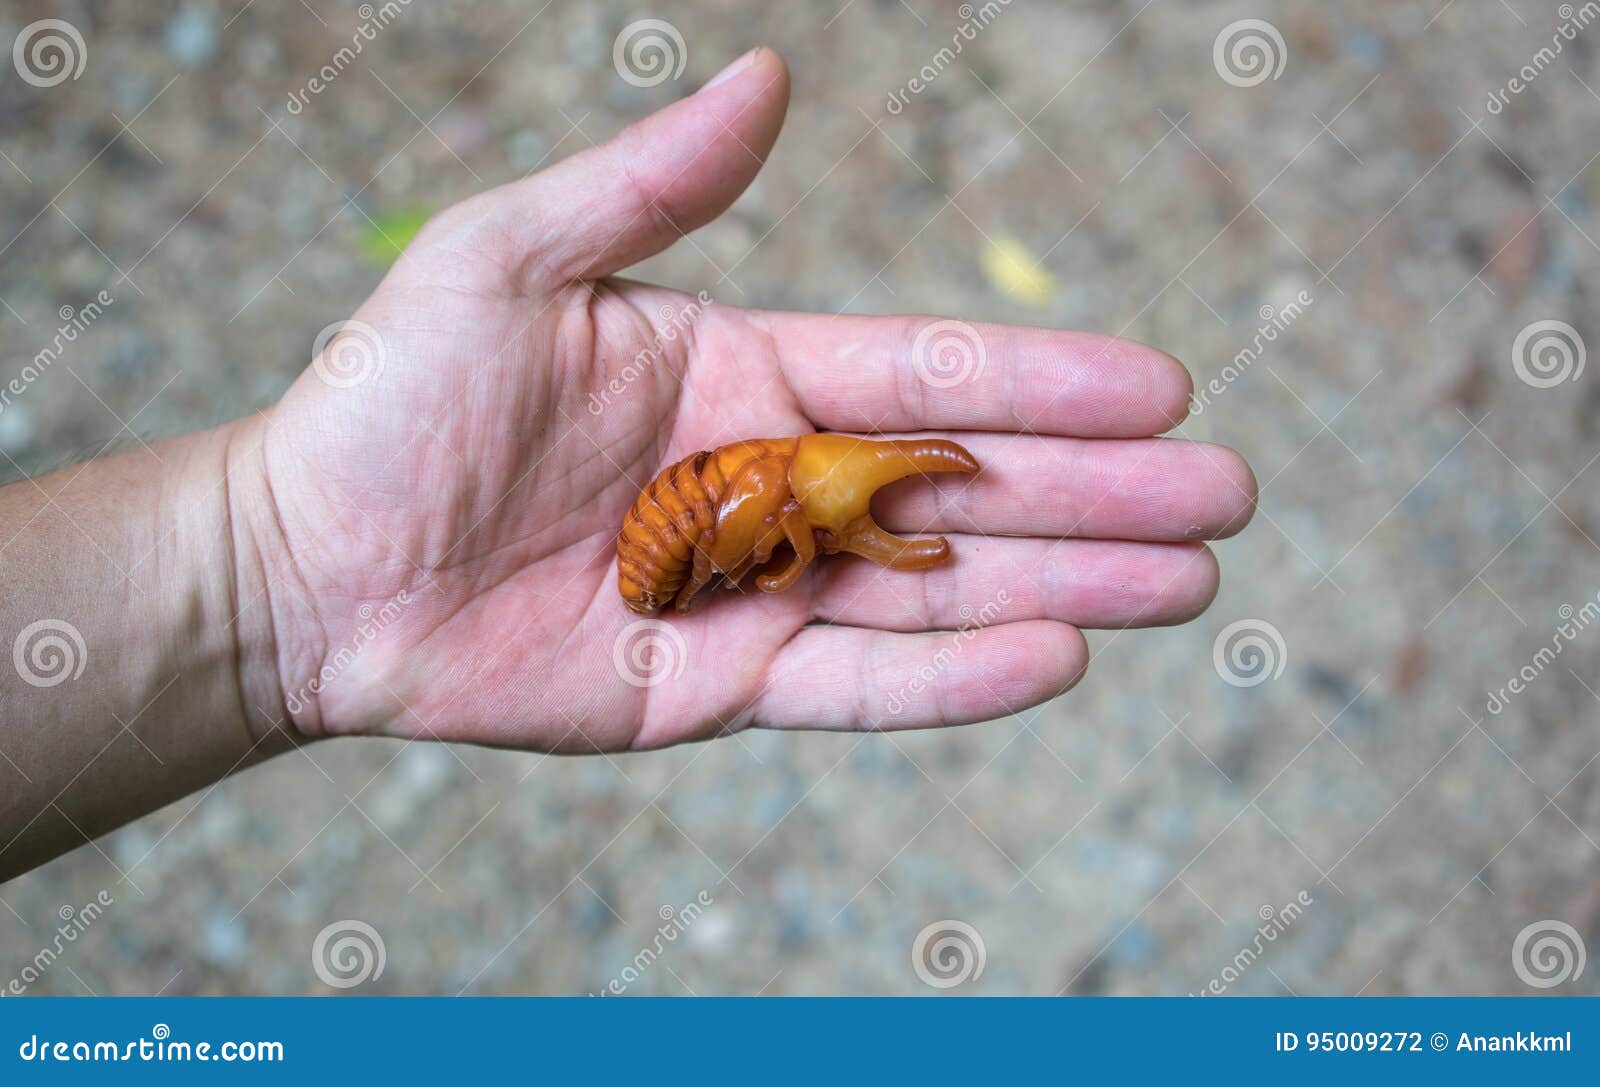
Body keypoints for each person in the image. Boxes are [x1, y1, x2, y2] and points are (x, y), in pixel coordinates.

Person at [0, 49, 1255, 881]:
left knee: (817, 513)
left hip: (708, 532)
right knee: (810, 514)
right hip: (691, 541)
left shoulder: (774, 503)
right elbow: (775, 535)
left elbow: (787, 531)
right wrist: (272, 566)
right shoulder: (747, 516)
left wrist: (272, 572)